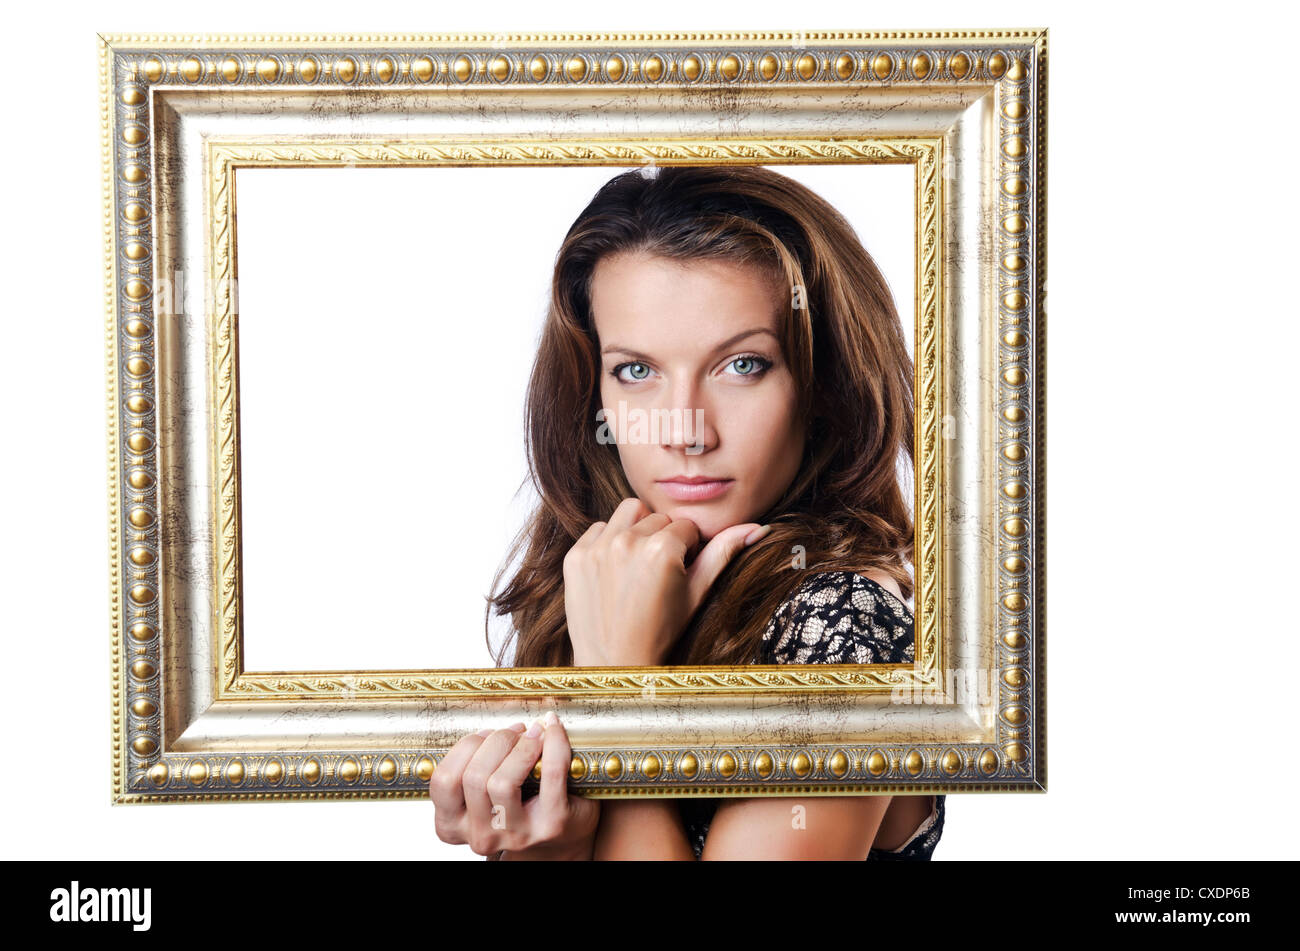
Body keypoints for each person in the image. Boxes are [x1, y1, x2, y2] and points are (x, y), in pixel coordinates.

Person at [428, 164, 944, 860]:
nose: (685, 431)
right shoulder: (595, 585)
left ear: (824, 386)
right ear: (593, 394)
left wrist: (617, 690)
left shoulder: (839, 615)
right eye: (637, 371)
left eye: (742, 365)